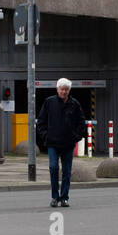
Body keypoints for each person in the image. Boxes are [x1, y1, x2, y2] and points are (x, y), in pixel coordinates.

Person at [36, 77, 84, 208]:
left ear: (69, 91)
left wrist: (76, 137)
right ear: (57, 89)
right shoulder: (49, 102)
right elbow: (41, 122)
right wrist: (46, 136)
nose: (64, 92)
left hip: (68, 144)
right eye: (62, 89)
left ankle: (64, 198)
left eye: (66, 90)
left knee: (67, 171)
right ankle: (54, 197)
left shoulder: (74, 104)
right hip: (53, 143)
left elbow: (81, 122)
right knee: (53, 168)